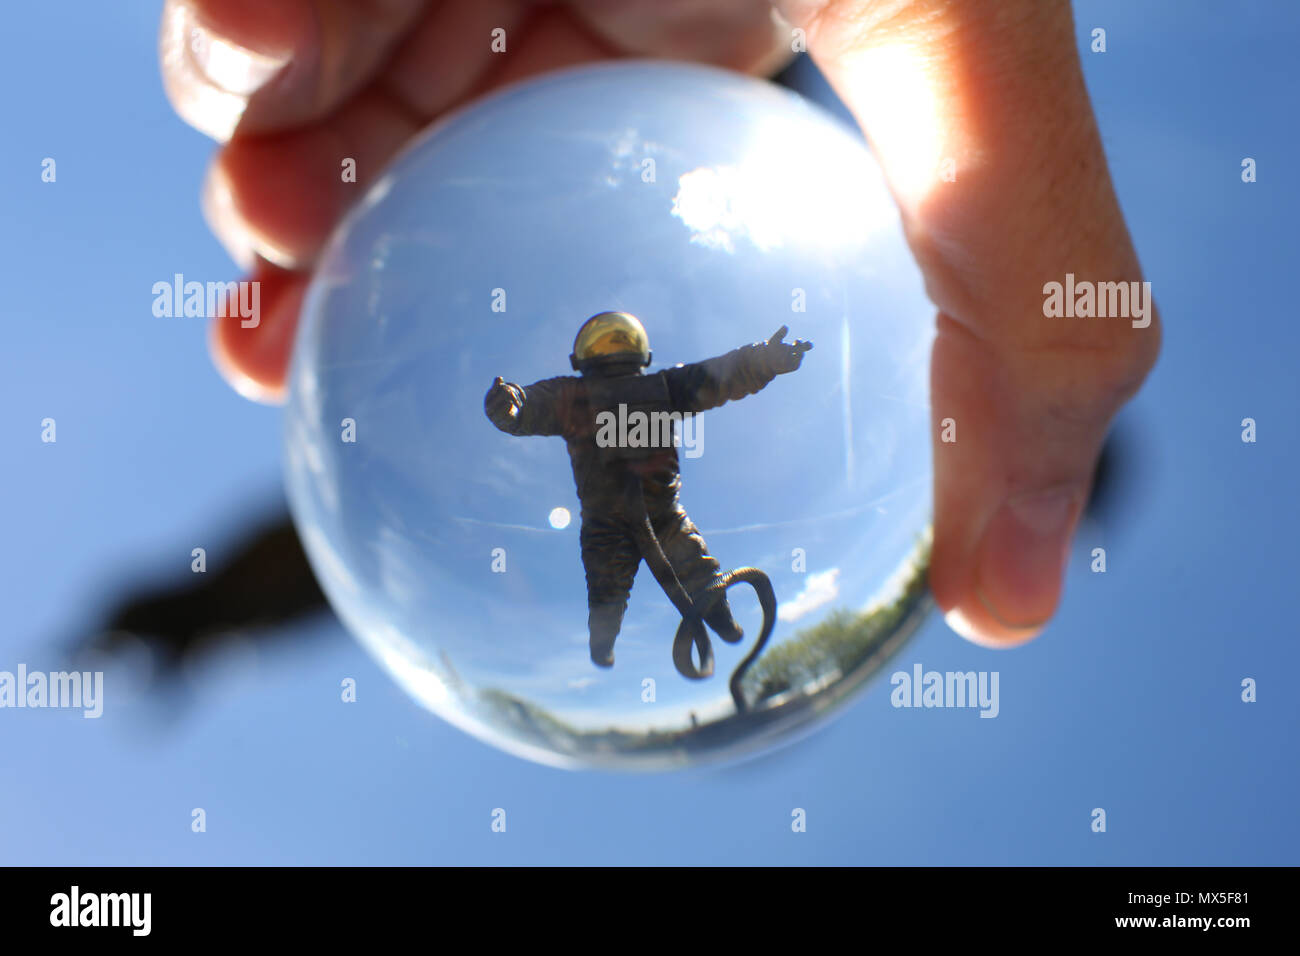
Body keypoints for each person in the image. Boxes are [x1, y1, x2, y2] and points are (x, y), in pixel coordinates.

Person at [160, 0, 1161, 649]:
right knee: (615, 560)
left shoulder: (811, 455)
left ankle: (682, 614)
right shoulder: (775, 233)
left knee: (671, 547)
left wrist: (767, 359)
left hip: (591, 364)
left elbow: (716, 378)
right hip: (639, 162)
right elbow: (643, 380)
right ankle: (619, 626)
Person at [484, 312, 811, 667]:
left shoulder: (662, 387)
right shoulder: (571, 396)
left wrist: (764, 359)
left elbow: (722, 373)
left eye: (619, 339)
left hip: (661, 513)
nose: (611, 348)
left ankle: (720, 620)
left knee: (694, 569)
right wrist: (509, 404)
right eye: (603, 341)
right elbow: (531, 402)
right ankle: (604, 643)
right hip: (609, 522)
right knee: (608, 586)